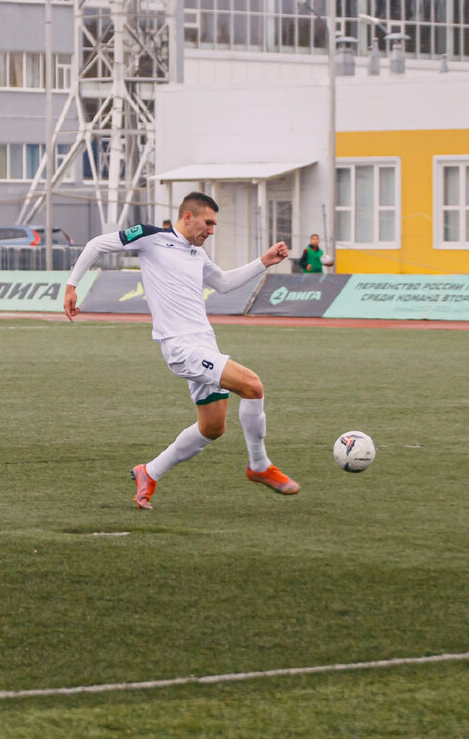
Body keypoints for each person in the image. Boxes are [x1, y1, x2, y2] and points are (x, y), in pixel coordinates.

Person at [63, 191, 299, 509]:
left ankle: (149, 471)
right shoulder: (150, 238)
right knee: (252, 385)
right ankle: (259, 466)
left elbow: (224, 283)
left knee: (212, 427)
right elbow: (96, 245)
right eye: (208, 222)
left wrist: (263, 262)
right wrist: (71, 286)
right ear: (188, 217)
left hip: (205, 343)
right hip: (180, 347)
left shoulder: (196, 254)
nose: (211, 230)